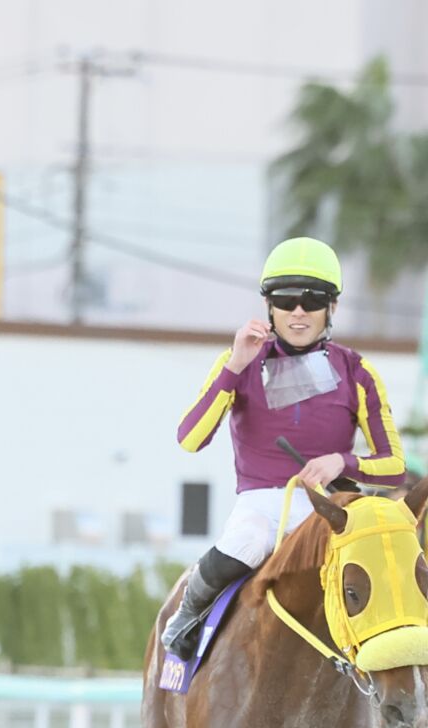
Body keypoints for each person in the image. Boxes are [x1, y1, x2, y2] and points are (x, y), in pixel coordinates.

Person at [160, 236, 404, 659]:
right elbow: (191, 438)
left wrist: (341, 461)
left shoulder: (357, 371)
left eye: (312, 300)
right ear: (268, 306)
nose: (298, 311)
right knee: (247, 541)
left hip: (331, 509)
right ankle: (186, 618)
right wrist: (235, 366)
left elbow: (395, 467)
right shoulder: (237, 361)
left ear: (332, 308)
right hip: (260, 506)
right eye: (285, 298)